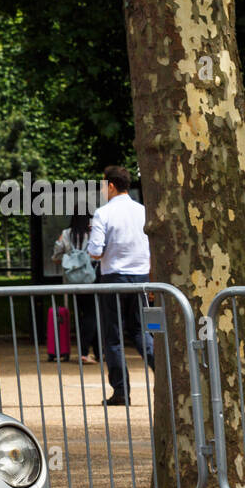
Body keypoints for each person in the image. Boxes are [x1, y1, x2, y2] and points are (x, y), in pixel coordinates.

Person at [87, 165, 153, 406]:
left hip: (114, 279)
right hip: (141, 279)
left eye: (103, 185)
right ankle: (164, 375)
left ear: (111, 185)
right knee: (140, 331)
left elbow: (95, 252)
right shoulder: (143, 211)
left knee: (113, 338)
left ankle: (121, 392)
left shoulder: (103, 214)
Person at [51, 210, 100, 363]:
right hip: (91, 279)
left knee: (84, 314)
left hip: (73, 280)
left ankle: (97, 351)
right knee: (93, 314)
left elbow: (56, 257)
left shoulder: (66, 234)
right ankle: (85, 351)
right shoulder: (92, 234)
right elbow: (98, 253)